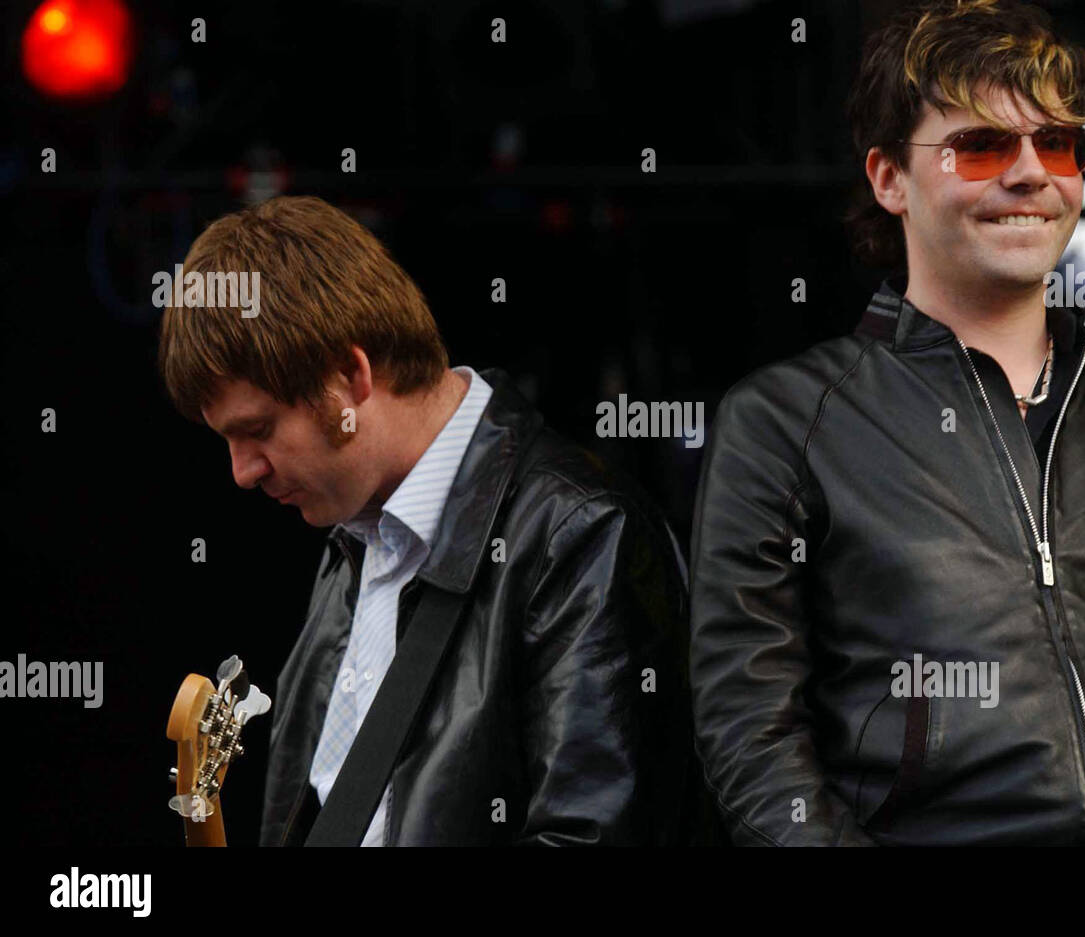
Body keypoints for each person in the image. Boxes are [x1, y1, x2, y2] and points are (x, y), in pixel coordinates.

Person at [688, 0, 1085, 845]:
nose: (1030, 174)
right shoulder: (784, 420)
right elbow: (750, 732)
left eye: (1059, 144)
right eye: (980, 146)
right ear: (888, 178)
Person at [158, 195, 699, 845]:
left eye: (258, 430)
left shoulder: (582, 534)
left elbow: (596, 836)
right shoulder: (353, 539)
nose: (242, 471)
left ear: (349, 377)